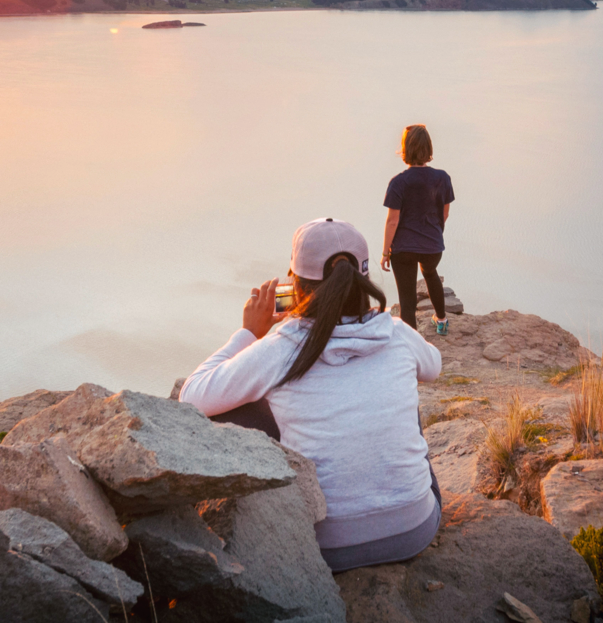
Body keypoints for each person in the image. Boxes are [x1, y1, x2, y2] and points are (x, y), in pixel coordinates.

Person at [179, 218, 442, 571]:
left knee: (245, 403)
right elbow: (434, 367)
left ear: (295, 284)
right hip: (414, 530)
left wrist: (248, 334)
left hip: (326, 546)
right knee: (405, 396)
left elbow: (192, 396)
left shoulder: (280, 347)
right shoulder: (394, 332)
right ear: (362, 280)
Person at [381, 124, 455, 335]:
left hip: (403, 249)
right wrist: (433, 236)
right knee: (430, 274)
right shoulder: (443, 178)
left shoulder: (398, 182)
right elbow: (444, 214)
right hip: (432, 247)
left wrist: (386, 252)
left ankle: (411, 344)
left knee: (407, 298)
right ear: (428, 148)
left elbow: (392, 221)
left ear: (405, 150)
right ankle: (441, 321)